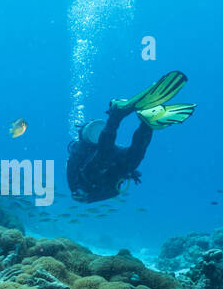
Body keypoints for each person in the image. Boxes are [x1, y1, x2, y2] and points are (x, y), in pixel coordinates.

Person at [66, 70, 194, 203]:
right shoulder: (79, 158)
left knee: (106, 157)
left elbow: (77, 178)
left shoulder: (77, 162)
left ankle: (116, 114)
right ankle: (146, 125)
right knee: (133, 159)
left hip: (94, 173)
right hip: (109, 171)